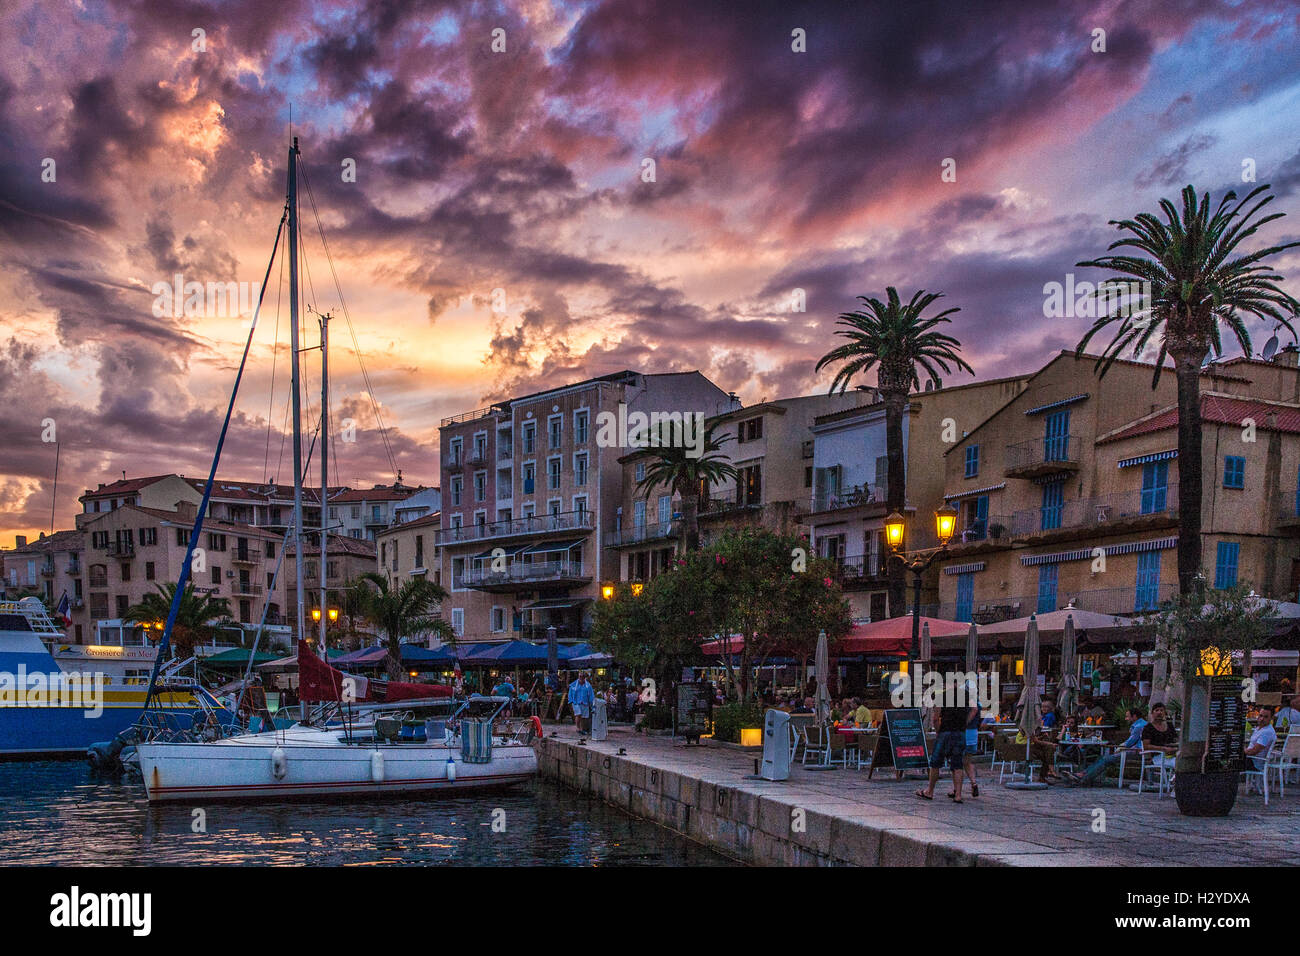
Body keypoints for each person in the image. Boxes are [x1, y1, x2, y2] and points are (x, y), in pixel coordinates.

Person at [1064, 706, 1146, 787]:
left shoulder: (1138, 727)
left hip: (1137, 752)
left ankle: (1083, 779)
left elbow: (1129, 743)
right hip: (1133, 750)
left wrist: (1119, 748)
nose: (1126, 719)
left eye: (1127, 717)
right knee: (1102, 757)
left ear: (1134, 716)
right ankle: (1082, 774)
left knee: (1106, 759)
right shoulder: (1140, 724)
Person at [916, 701, 975, 804]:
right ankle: (958, 795)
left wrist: (938, 731)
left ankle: (929, 791)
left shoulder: (942, 695)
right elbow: (975, 709)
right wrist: (965, 723)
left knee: (935, 763)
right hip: (960, 732)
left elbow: (935, 718)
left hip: (945, 732)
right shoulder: (966, 695)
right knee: (958, 765)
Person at [1140, 701, 1179, 779]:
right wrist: (1163, 749)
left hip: (1171, 755)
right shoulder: (1148, 728)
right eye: (1157, 710)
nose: (1159, 712)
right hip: (1157, 756)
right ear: (1152, 713)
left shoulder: (1169, 726)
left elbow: (1175, 740)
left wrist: (1175, 747)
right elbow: (1146, 746)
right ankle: (1173, 781)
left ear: (1165, 713)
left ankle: (1174, 780)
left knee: (1184, 761)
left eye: (1161, 710)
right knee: (1178, 764)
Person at [1244, 705, 1277, 774]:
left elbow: (1253, 751)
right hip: (1250, 759)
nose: (1261, 719)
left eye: (1266, 717)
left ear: (1271, 718)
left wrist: (1241, 751)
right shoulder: (1259, 728)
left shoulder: (1267, 732)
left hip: (1255, 763)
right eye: (1260, 715)